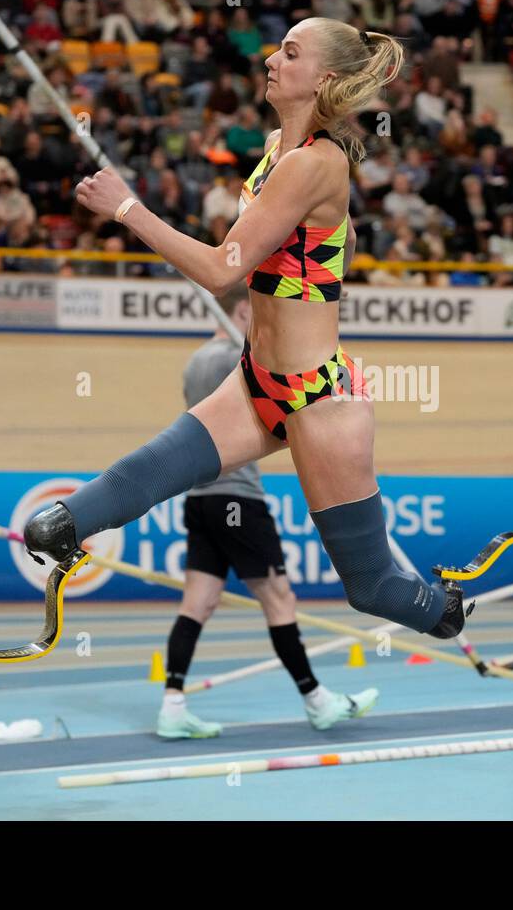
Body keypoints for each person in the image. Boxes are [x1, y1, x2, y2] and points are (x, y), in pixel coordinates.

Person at [24, 19, 470, 641]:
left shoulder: (313, 164)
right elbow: (298, 250)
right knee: (137, 478)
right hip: (258, 380)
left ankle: (444, 609)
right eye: (276, 48)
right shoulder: (275, 152)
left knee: (372, 590)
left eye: (290, 54)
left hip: (320, 400)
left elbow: (218, 270)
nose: (270, 60)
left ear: (326, 80)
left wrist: (127, 208)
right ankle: (64, 530)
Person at [160, 285, 379, 739]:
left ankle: (172, 705)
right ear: (245, 310)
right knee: (280, 600)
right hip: (239, 499)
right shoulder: (230, 363)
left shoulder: (195, 362)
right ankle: (317, 700)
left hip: (201, 499)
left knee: (197, 603)